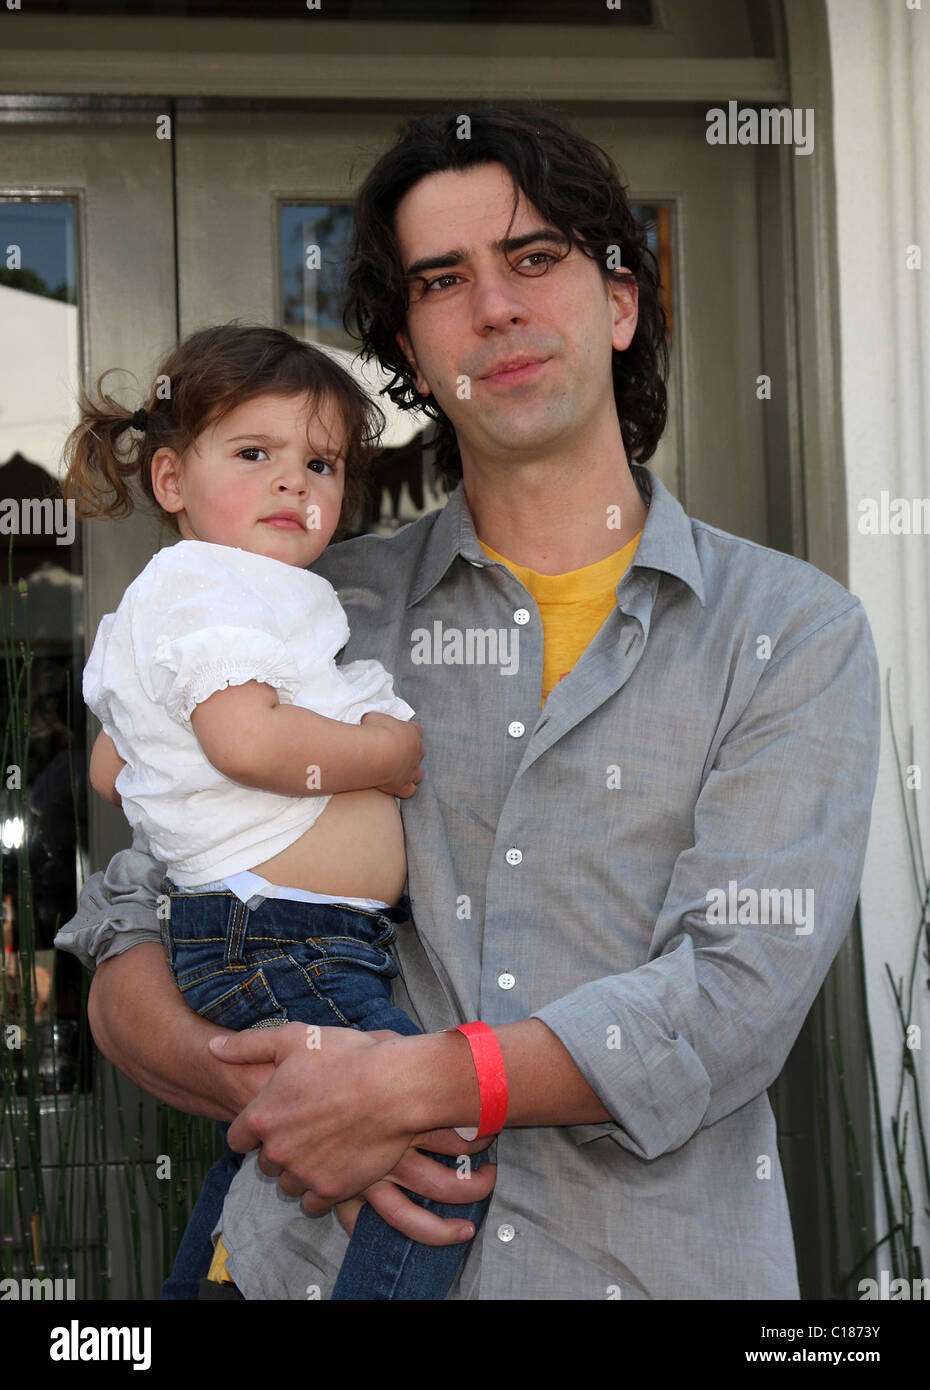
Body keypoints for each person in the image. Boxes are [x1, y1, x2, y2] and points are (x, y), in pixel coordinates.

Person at [57, 105, 881, 1300]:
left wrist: (425, 1084)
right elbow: (133, 930)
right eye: (443, 281)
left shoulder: (792, 632)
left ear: (620, 301)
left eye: (534, 259)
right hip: (298, 1263)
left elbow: (732, 995)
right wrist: (265, 1080)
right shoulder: (305, 611)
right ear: (410, 347)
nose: (494, 307)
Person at [60, 323, 494, 1300]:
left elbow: (109, 765)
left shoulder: (193, 598)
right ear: (171, 481)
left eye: (322, 462)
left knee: (274, 1152)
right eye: (255, 455)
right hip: (281, 934)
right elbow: (245, 742)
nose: (294, 483)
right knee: (438, 1156)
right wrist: (382, 753)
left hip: (264, 932)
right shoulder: (214, 586)